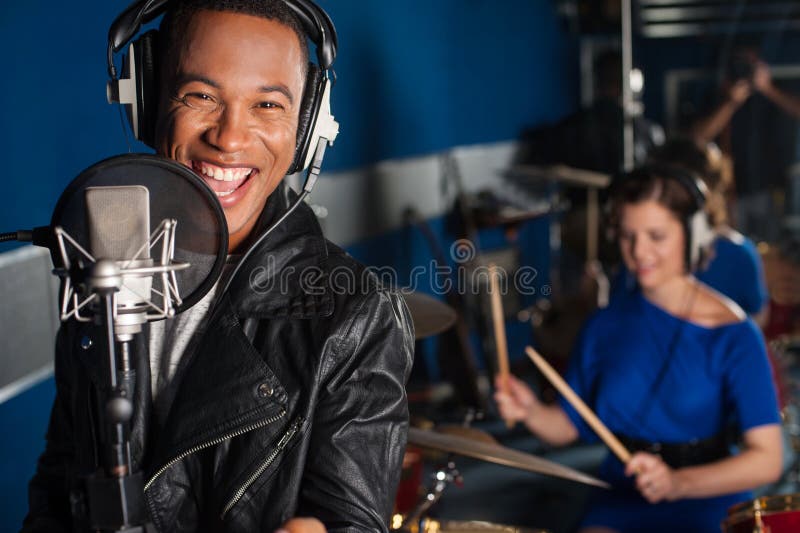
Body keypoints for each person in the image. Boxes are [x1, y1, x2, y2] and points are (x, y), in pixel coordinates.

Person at [22, 1, 414, 532]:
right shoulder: (104, 263)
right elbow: (60, 481)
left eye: (267, 105)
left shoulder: (357, 315)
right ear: (147, 99)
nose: (229, 138)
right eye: (201, 96)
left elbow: (351, 521)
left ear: (308, 128)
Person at [495, 165, 782, 533]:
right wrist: (530, 411)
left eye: (656, 236)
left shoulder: (735, 334)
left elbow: (767, 460)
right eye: (628, 236)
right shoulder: (603, 324)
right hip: (623, 490)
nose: (639, 250)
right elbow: (567, 427)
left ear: (693, 235)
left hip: (706, 493)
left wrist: (678, 483)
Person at [610, 137, 770, 324]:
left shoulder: (739, 255)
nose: (639, 251)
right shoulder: (638, 252)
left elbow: (757, 320)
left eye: (657, 236)